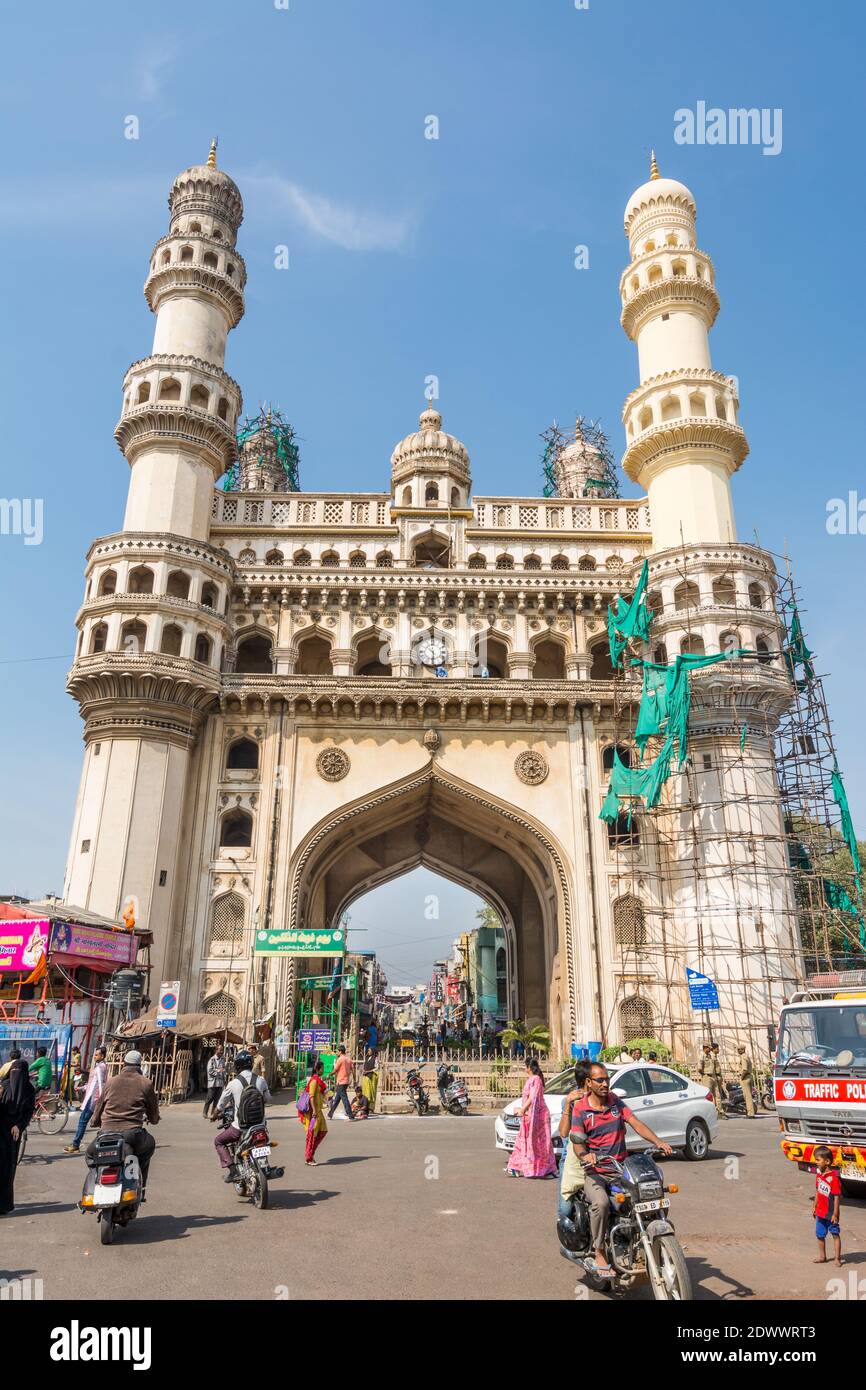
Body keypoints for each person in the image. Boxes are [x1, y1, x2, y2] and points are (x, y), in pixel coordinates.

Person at [570, 1062, 673, 1275]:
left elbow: (635, 1122)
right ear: (589, 1083)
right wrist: (585, 1155)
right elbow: (577, 1141)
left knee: (651, 1193)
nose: (605, 1083)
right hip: (596, 1172)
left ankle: (646, 1241)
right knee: (601, 1203)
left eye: (606, 1079)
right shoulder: (581, 1108)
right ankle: (599, 1251)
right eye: (600, 1080)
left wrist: (657, 1142)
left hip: (621, 1169)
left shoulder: (616, 1102)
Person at [88, 1050, 160, 1195]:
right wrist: (153, 1119)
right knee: (148, 1146)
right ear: (139, 1066)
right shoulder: (146, 1083)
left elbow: (98, 1109)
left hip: (106, 1134)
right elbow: (153, 1115)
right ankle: (141, 1186)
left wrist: (95, 1122)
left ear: (123, 1064)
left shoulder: (111, 1081)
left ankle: (95, 1179)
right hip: (132, 1134)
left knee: (90, 1155)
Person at [214, 1050, 271, 1181]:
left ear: (237, 1066)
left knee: (218, 1141)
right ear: (251, 1065)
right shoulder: (261, 1080)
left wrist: (214, 1115)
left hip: (240, 1128)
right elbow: (268, 1098)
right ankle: (265, 1166)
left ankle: (233, 1170)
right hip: (260, 1125)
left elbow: (220, 1105)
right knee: (263, 1140)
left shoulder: (233, 1083)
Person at [507, 1057, 557, 1179]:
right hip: (530, 1115)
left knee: (541, 1143)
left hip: (539, 1116)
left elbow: (532, 1098)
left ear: (529, 1067)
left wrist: (523, 1109)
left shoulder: (536, 1079)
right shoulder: (532, 1080)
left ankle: (547, 1169)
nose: (524, 1068)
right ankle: (516, 1167)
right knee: (524, 1141)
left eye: (525, 1066)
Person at [0, 1053, 36, 1215]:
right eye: (13, 1071)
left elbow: (28, 1112)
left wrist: (19, 1125)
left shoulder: (29, 1090)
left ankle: (4, 1204)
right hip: (0, 1130)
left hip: (13, 1135)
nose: (16, 1075)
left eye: (19, 1072)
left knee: (9, 1169)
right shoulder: (4, 1086)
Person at [557, 1060, 591, 1219]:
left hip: (598, 1157)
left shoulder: (603, 1099)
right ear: (587, 1081)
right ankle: (567, 1243)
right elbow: (563, 1133)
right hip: (571, 1159)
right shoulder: (570, 1100)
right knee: (565, 1209)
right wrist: (568, 1104)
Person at [64, 1046, 107, 1153]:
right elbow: (93, 1083)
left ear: (102, 1056)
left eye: (96, 1055)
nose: (94, 1057)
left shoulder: (100, 1068)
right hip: (93, 1098)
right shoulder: (102, 1066)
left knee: (83, 1121)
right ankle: (105, 1143)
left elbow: (101, 1084)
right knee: (101, 1122)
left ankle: (75, 1145)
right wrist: (82, 1088)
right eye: (94, 1055)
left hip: (93, 1099)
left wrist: (101, 1099)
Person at [812, 1145, 843, 1266]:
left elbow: (836, 1197)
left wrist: (835, 1213)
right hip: (820, 1211)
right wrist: (814, 1206)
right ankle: (822, 1256)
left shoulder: (834, 1178)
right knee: (819, 1235)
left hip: (830, 1213)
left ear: (827, 1161)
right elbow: (817, 1191)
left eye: (818, 1160)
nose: (816, 1162)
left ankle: (837, 1258)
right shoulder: (819, 1175)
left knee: (835, 1234)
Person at [298, 1059, 328, 1165]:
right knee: (312, 1135)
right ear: (318, 1069)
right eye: (322, 1068)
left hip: (318, 1112)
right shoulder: (314, 1081)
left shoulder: (317, 1080)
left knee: (323, 1131)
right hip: (313, 1113)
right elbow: (311, 1097)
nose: (323, 1070)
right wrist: (314, 1111)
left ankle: (310, 1154)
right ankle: (309, 1158)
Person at [698, 1042, 726, 1117]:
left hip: (713, 1076)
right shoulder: (702, 1056)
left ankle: (720, 1111)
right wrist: (704, 1074)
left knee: (717, 1095)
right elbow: (699, 1068)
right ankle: (708, 1113)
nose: (710, 1049)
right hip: (707, 1077)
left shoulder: (710, 1056)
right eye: (708, 1048)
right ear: (704, 1048)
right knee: (708, 1096)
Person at [327, 1045, 355, 1120]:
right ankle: (330, 1113)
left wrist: (329, 1075)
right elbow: (353, 1069)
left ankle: (350, 1115)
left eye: (337, 1051)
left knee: (345, 1099)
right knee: (337, 1099)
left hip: (341, 1081)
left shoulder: (340, 1059)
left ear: (340, 1051)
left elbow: (335, 1070)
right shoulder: (349, 1059)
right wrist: (354, 1079)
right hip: (346, 1082)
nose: (337, 1053)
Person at [203, 1044, 226, 1121]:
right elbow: (209, 1071)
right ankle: (205, 1112)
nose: (221, 1052)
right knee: (210, 1098)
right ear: (216, 1050)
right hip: (212, 1083)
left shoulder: (223, 1059)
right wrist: (218, 1071)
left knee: (217, 1099)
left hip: (220, 1083)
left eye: (222, 1050)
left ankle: (213, 1115)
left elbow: (223, 1070)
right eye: (220, 1050)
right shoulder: (212, 1060)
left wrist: (224, 1079)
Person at [737, 1044, 756, 1118]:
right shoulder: (746, 1056)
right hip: (749, 1076)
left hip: (745, 1077)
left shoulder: (743, 1057)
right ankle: (750, 1111)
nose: (738, 1051)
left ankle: (750, 1113)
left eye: (739, 1049)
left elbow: (744, 1069)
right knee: (748, 1095)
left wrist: (741, 1077)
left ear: (742, 1049)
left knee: (747, 1096)